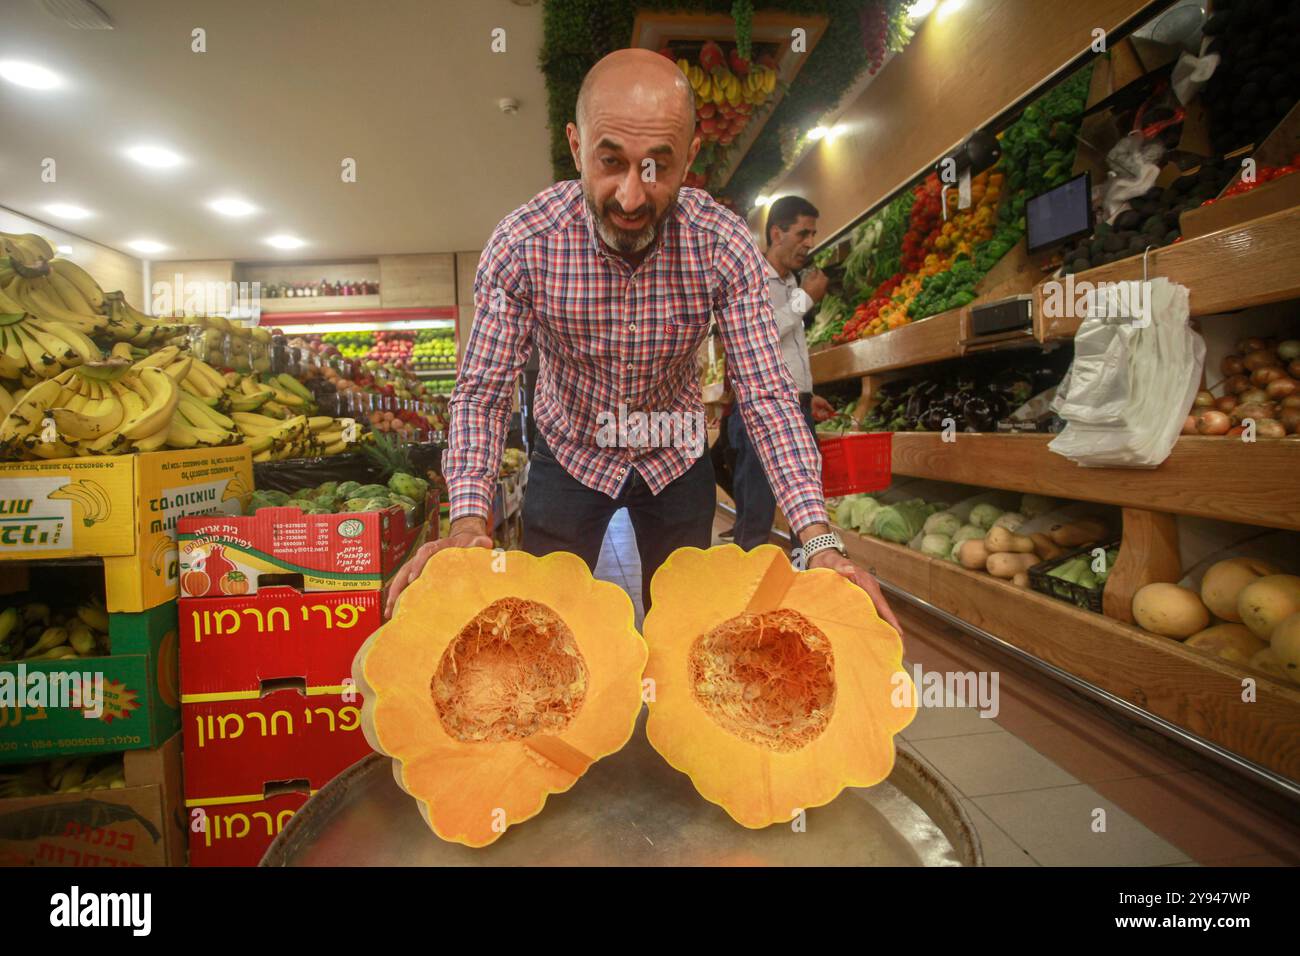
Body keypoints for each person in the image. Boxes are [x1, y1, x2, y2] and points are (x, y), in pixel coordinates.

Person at [385, 48, 899, 634]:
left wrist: (819, 538)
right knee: (546, 630)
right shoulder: (525, 244)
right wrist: (468, 524)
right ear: (577, 148)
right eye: (610, 161)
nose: (632, 196)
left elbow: (767, 397)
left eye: (659, 165)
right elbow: (482, 394)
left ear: (691, 157)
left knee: (686, 632)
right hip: (569, 453)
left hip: (675, 458)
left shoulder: (721, 244)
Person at [726, 195, 835, 550]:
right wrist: (805, 300)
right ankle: (747, 593)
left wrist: (806, 392)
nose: (809, 243)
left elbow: (787, 352)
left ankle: (804, 586)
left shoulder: (793, 282)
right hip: (760, 405)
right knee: (756, 509)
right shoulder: (750, 278)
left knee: (807, 506)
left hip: (797, 404)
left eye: (813, 234)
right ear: (777, 232)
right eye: (803, 233)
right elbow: (757, 334)